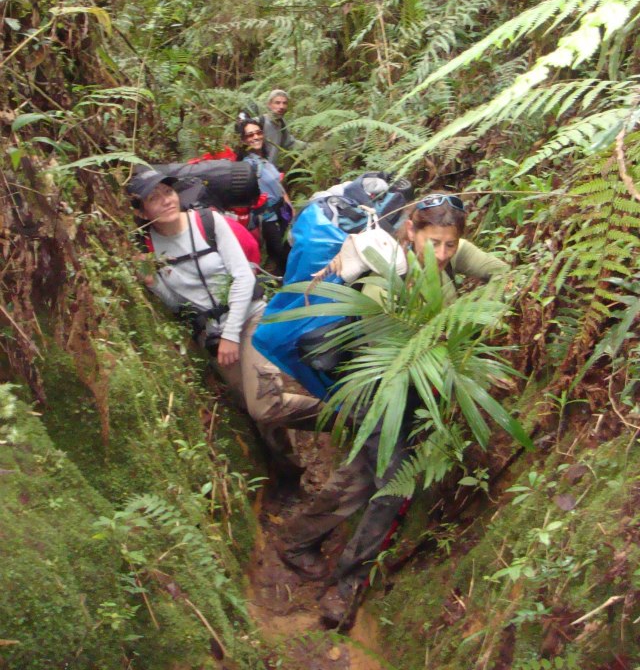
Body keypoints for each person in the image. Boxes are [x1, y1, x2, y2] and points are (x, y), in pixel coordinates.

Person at [276, 193, 508, 629]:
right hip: (379, 391)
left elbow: (501, 273)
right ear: (410, 232)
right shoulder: (385, 282)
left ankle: (295, 540)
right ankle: (346, 587)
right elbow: (381, 353)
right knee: (391, 487)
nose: (441, 255)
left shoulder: (448, 254)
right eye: (433, 242)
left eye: (450, 246)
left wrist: (463, 315)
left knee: (362, 477)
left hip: (415, 390)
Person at [127, 168, 322, 479]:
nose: (166, 201)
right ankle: (290, 472)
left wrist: (231, 334)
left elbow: (244, 275)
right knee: (255, 408)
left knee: (264, 406)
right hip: (214, 336)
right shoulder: (149, 247)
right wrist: (152, 282)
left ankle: (344, 418)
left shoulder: (207, 222)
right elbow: (178, 305)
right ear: (140, 211)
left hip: (249, 319)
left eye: (168, 192)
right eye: (154, 198)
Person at [236, 117, 293, 276]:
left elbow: (277, 184)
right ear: (242, 140)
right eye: (250, 135)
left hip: (282, 213)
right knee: (282, 255)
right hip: (268, 219)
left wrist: (289, 205)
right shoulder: (247, 165)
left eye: (258, 133)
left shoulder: (264, 159)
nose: (255, 137)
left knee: (288, 250)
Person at [262, 89, 306, 167]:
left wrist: (310, 147)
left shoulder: (281, 123)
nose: (281, 107)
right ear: (269, 104)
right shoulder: (260, 122)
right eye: (277, 103)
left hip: (272, 171)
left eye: (284, 103)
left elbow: (289, 143)